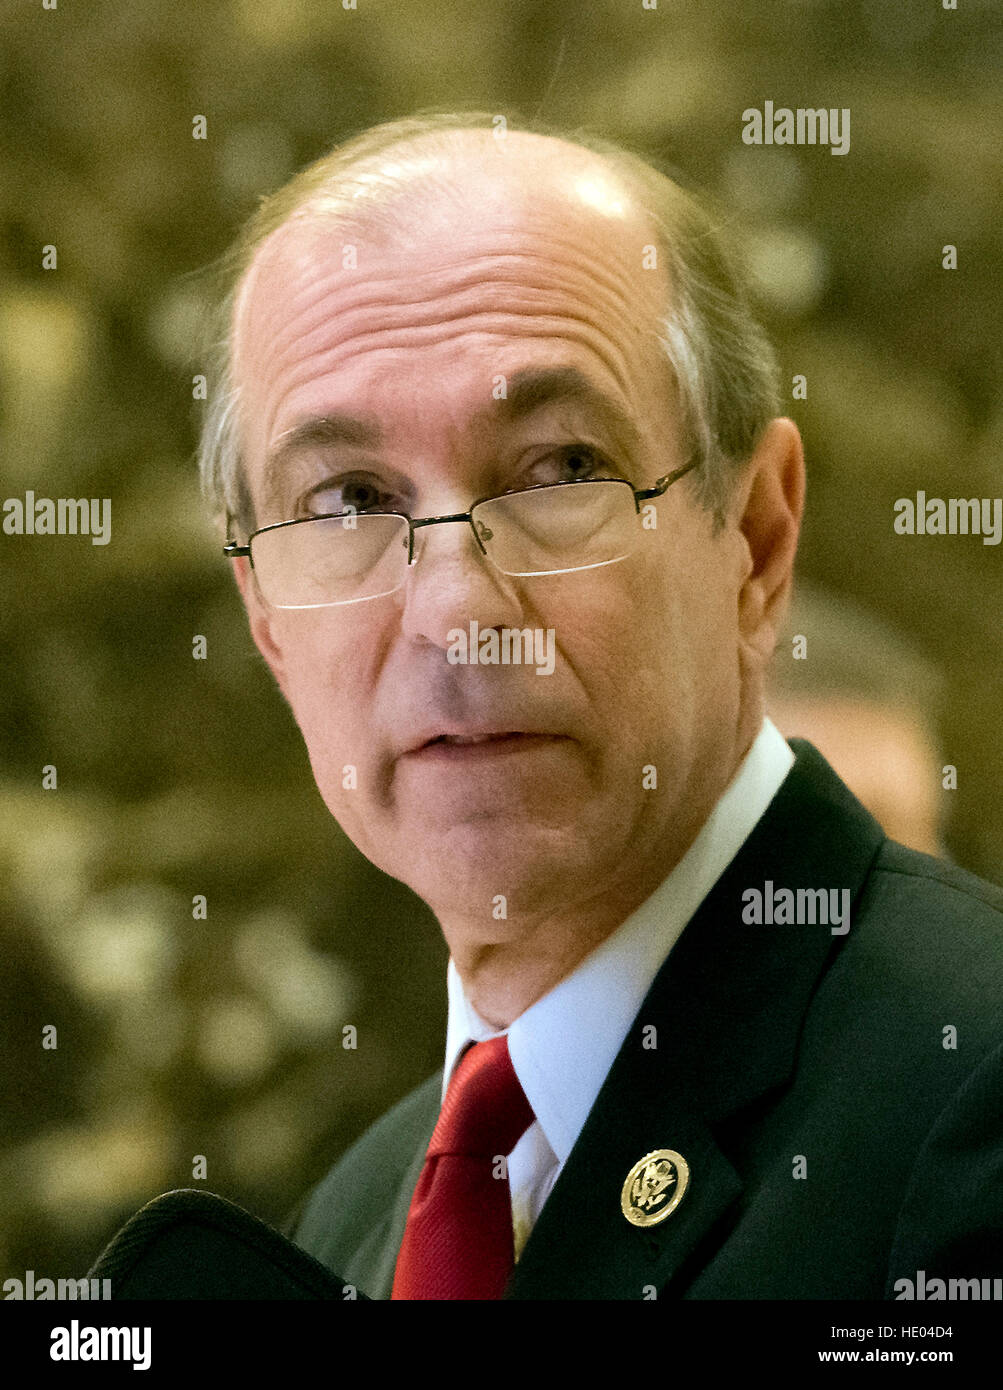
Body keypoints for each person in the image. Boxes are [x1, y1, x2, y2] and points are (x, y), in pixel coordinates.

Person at [198, 111, 1003, 1300]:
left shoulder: (972, 1096)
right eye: (347, 499)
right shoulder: (354, 1218)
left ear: (757, 542)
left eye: (562, 468)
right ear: (268, 619)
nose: (454, 611)